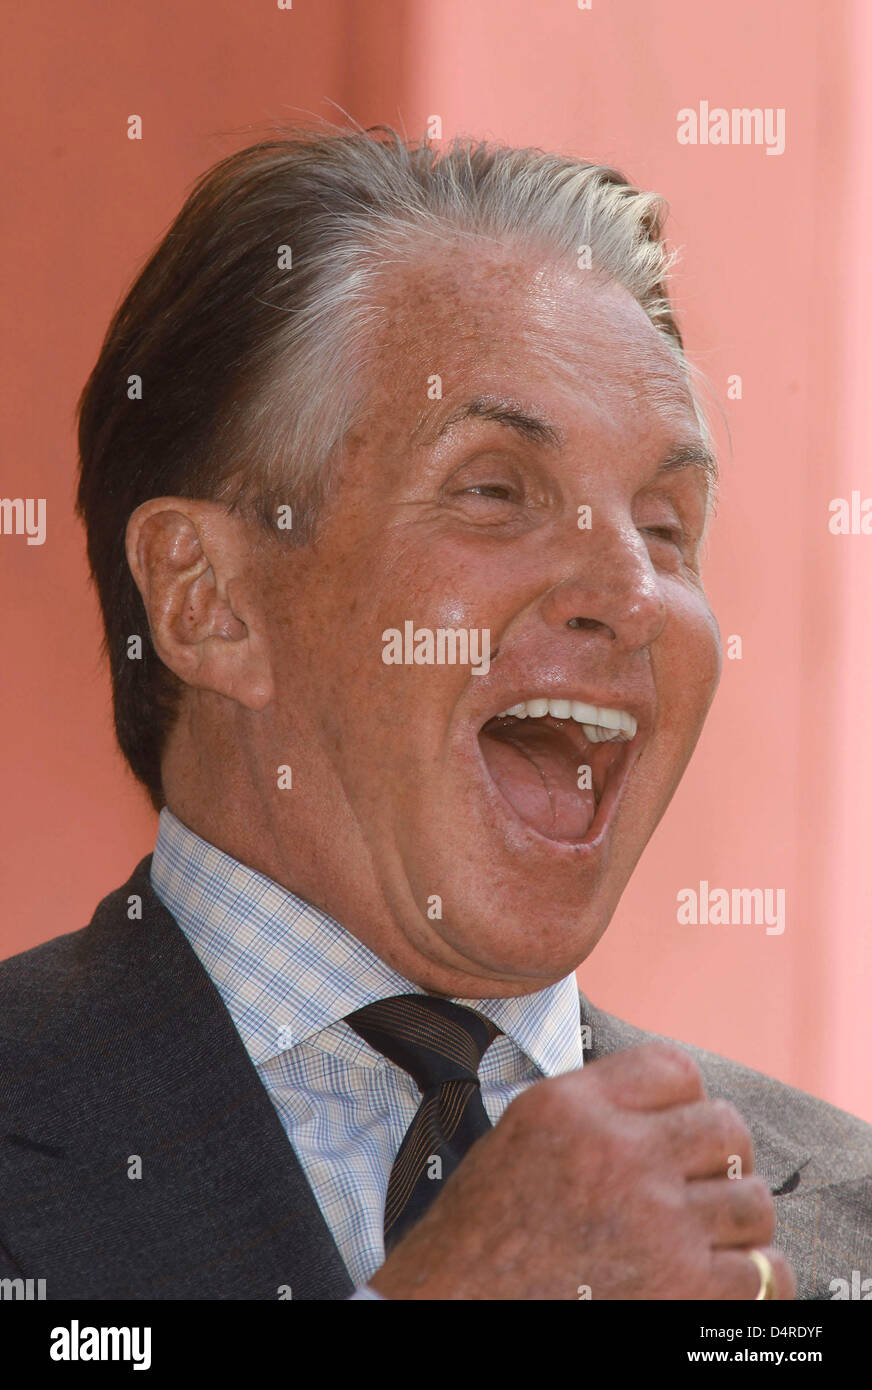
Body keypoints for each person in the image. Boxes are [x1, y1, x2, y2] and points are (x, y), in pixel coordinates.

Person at [1, 129, 869, 1302]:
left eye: (665, 525)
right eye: (496, 489)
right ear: (210, 602)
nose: (628, 595)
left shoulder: (838, 1219)